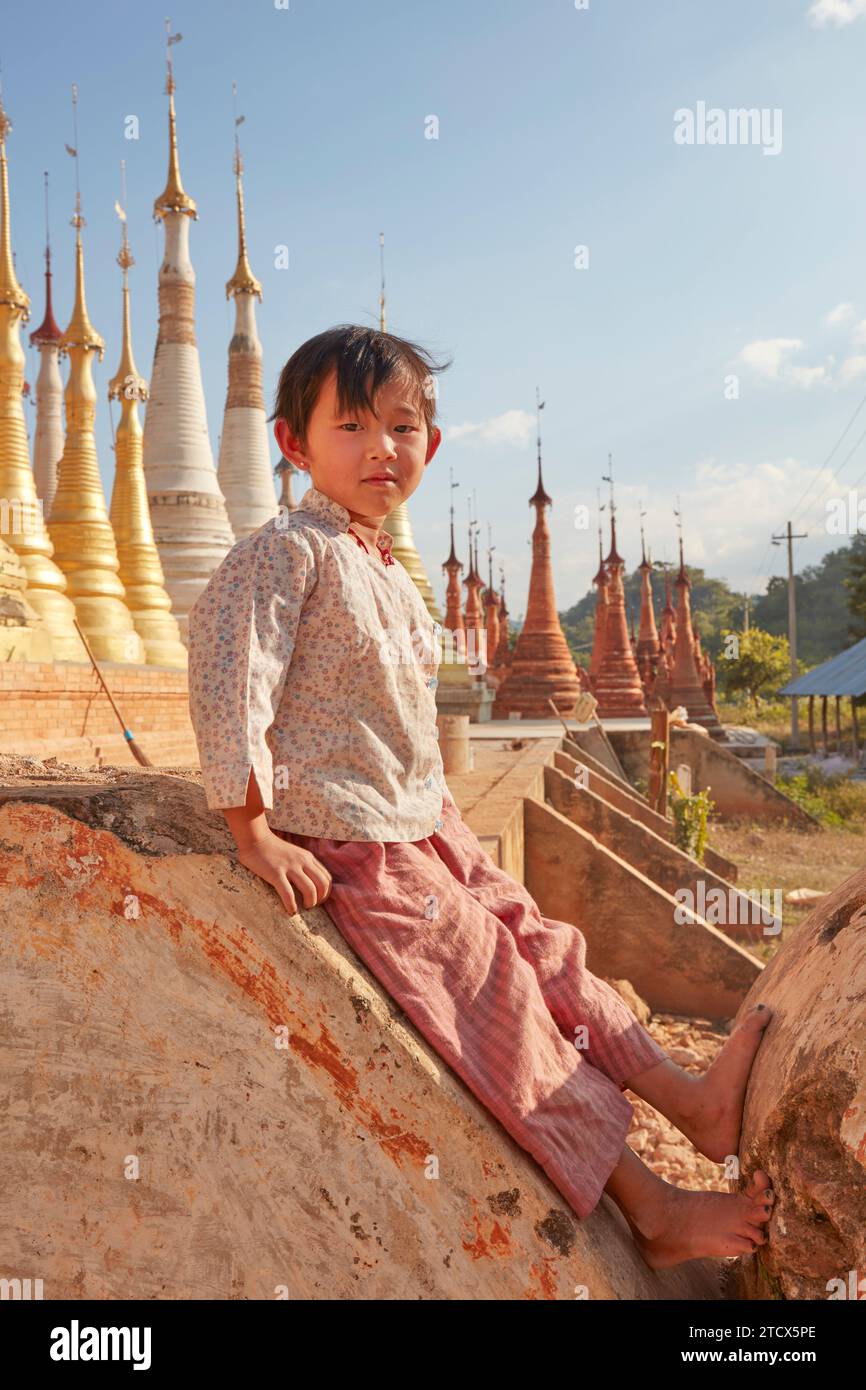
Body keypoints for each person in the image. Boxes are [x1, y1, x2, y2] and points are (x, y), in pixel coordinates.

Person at [187, 323, 774, 1269]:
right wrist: (252, 833)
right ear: (293, 446)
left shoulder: (386, 569)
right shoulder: (284, 554)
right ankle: (650, 1203)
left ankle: (689, 1099)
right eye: (351, 427)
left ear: (432, 445)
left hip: (427, 824)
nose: (382, 447)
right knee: (498, 993)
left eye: (403, 427)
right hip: (352, 843)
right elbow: (229, 683)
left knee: (546, 948)